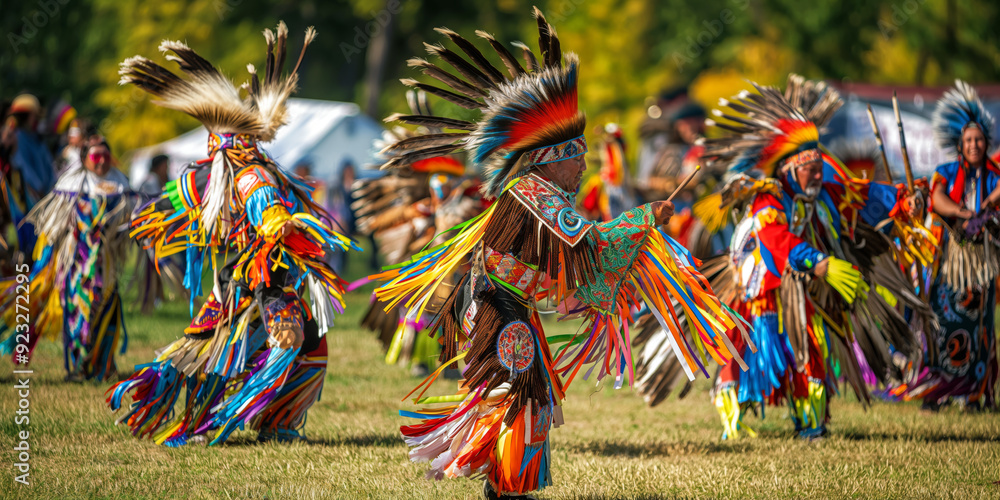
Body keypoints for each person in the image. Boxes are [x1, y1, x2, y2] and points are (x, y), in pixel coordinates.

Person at [371, 9, 746, 499]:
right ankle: (505, 487)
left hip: (507, 308)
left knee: (523, 397)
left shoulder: (536, 194)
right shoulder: (536, 192)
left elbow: (571, 265)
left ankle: (504, 485)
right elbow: (589, 244)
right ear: (557, 159)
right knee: (519, 397)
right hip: (500, 310)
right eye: (580, 157)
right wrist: (644, 217)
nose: (585, 167)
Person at [106, 22, 359, 445]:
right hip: (267, 281)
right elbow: (267, 217)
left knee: (288, 350)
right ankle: (220, 420)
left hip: (269, 277)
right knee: (281, 343)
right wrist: (288, 224)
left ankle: (272, 423)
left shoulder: (241, 171)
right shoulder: (251, 175)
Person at [688, 75, 928, 440]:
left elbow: (861, 195)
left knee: (810, 344)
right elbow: (775, 239)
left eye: (819, 167)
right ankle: (731, 421)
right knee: (739, 349)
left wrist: (901, 200)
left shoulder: (824, 190)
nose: (817, 174)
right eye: (809, 169)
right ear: (788, 169)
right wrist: (819, 262)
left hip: (802, 285)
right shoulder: (768, 196)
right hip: (758, 286)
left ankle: (811, 423)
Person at [0, 137, 133, 381]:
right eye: (95, 156)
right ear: (84, 159)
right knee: (78, 315)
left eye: (106, 155)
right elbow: (52, 228)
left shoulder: (121, 183)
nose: (102, 161)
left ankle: (103, 366)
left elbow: (131, 222)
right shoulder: (71, 183)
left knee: (106, 313)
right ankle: (79, 368)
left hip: (107, 266)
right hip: (77, 265)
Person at [908, 80, 999, 411]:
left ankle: (975, 393)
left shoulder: (994, 175)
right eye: (968, 140)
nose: (974, 145)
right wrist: (964, 212)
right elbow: (937, 199)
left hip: (983, 263)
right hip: (952, 263)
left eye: (979, 140)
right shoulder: (946, 172)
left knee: (980, 328)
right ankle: (939, 390)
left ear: (986, 143)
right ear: (960, 145)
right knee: (944, 323)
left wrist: (988, 201)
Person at [6, 94, 56, 259]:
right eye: (35, 116)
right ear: (26, 117)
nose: (38, 120)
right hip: (30, 206)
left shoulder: (37, 139)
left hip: (47, 201)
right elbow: (24, 170)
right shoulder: (17, 138)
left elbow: (49, 169)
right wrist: (40, 191)